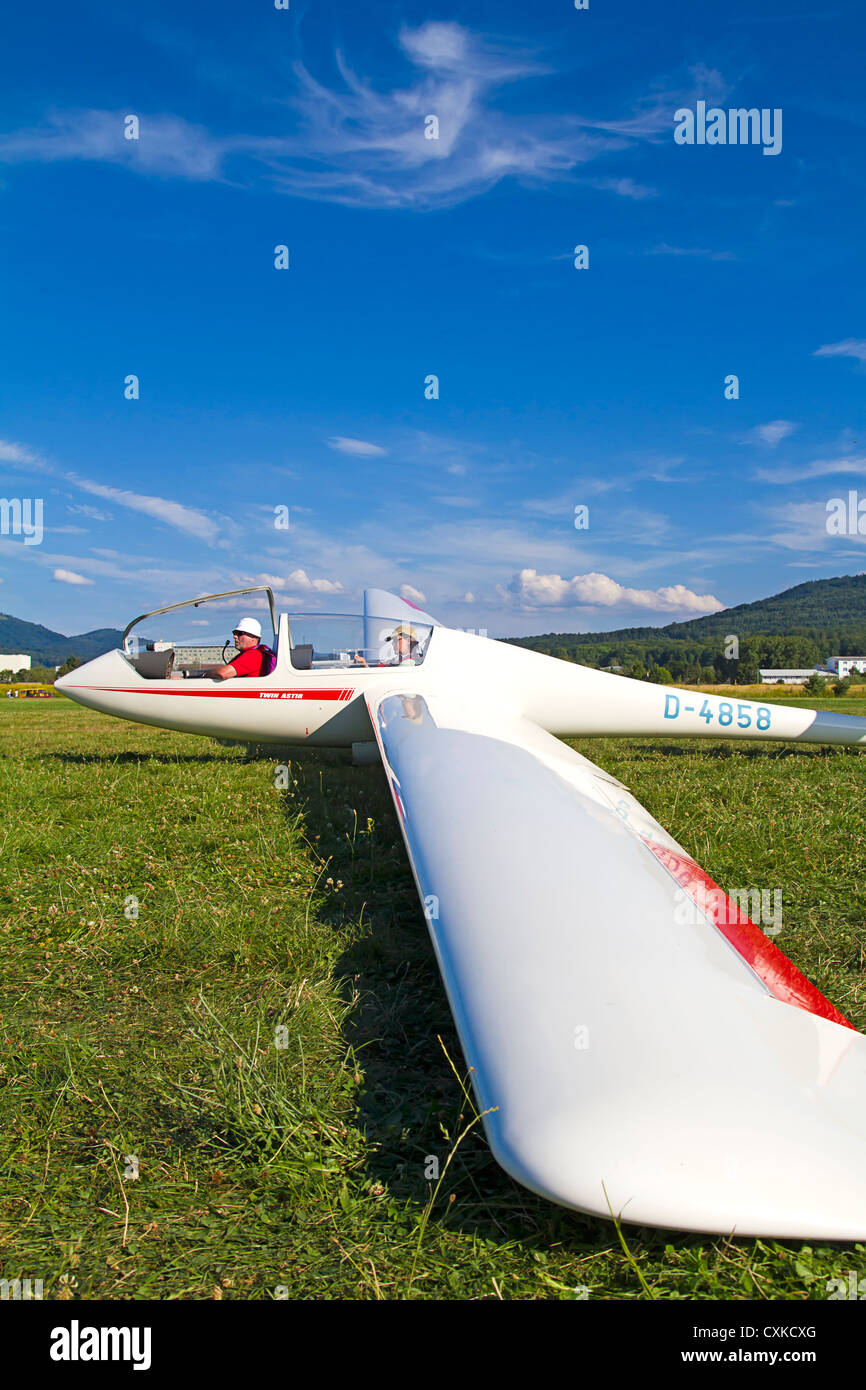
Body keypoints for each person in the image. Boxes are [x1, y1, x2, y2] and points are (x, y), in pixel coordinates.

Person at [177, 618, 273, 680]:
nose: (235, 636)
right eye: (234, 633)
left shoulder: (253, 655)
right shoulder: (251, 654)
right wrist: (186, 676)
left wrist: (203, 676)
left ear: (253, 637)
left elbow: (223, 673)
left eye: (240, 633)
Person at [353, 624, 423, 667]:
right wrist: (364, 662)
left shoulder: (408, 663)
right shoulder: (397, 659)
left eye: (396, 640)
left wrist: (364, 664)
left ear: (408, 640)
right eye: (393, 641)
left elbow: (381, 682)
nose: (393, 643)